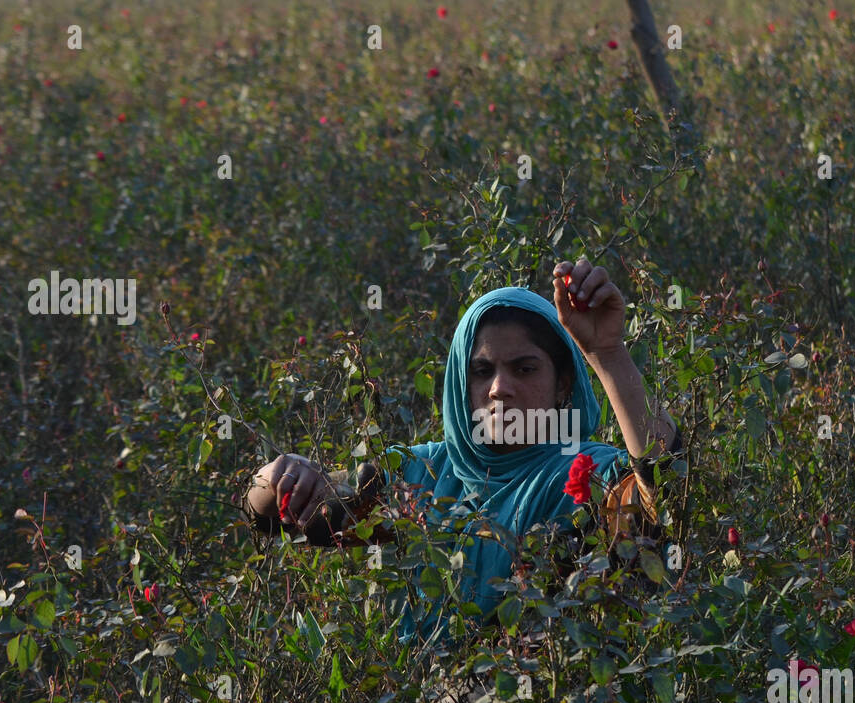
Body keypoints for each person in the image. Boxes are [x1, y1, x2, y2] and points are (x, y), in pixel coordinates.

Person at [243, 258, 682, 647]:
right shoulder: (423, 472)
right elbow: (275, 514)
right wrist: (283, 475)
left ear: (563, 383)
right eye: (481, 371)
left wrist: (607, 354)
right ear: (461, 384)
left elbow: (667, 504)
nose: (499, 389)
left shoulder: (588, 471)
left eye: (524, 369)